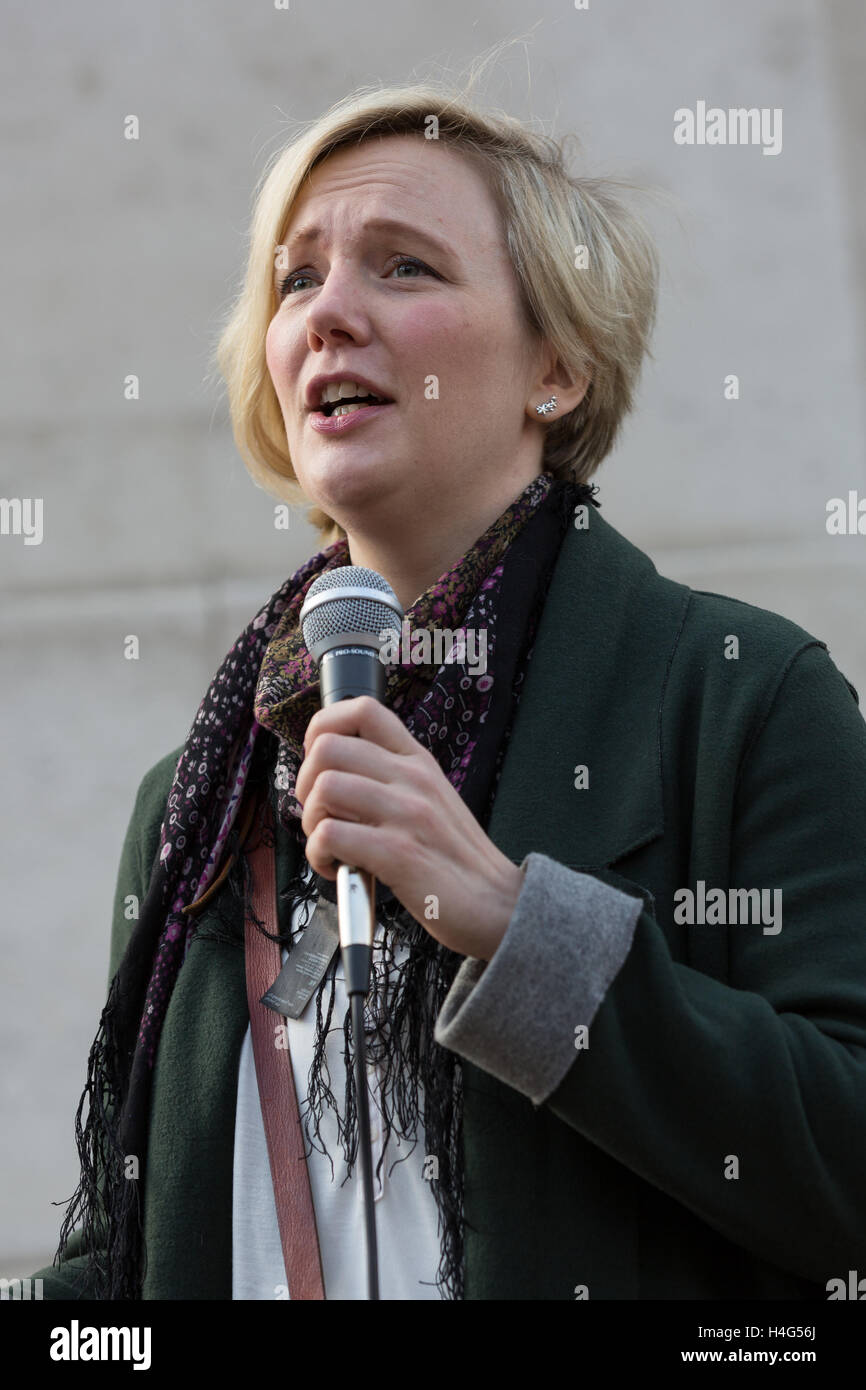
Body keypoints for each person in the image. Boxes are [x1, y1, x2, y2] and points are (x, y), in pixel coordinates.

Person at [35, 78, 866, 1301]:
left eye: (404, 268)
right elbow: (126, 1264)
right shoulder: (200, 798)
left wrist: (512, 924)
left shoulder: (737, 697)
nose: (327, 314)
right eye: (294, 277)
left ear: (557, 368)